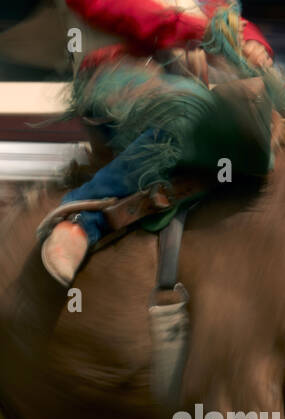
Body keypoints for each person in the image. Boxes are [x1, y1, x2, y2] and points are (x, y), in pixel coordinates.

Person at [38, 0, 273, 285]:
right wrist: (197, 29)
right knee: (188, 110)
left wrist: (251, 42)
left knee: (263, 136)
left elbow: (223, 13)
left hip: (183, 81)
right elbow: (107, 6)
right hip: (115, 75)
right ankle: (83, 219)